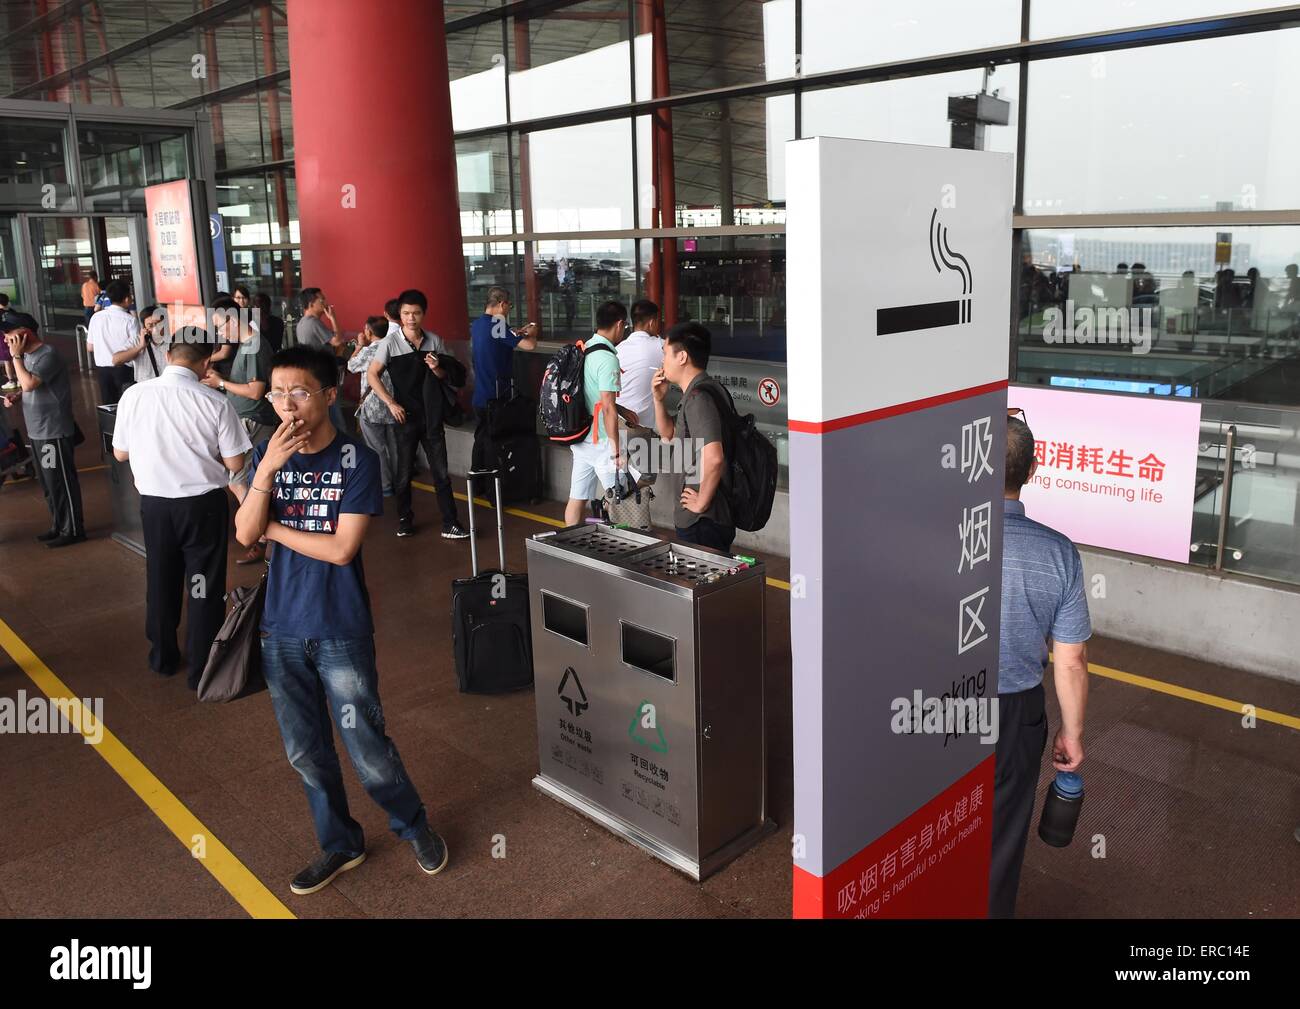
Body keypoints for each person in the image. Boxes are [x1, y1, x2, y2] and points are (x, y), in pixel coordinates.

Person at [234, 345, 448, 894]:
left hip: (340, 629)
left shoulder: (357, 460)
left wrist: (271, 530)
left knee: (368, 747)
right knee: (306, 752)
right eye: (278, 393)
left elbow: (340, 550)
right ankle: (341, 843)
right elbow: (241, 532)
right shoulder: (268, 457)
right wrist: (267, 476)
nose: (286, 405)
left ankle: (414, 826)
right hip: (280, 628)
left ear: (330, 395)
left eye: (299, 392)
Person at [990, 414, 1091, 918]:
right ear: (1031, 471)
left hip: (938, 703)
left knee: (932, 821)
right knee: (1003, 830)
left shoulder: (936, 538)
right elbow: (1070, 663)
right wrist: (1072, 734)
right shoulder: (1059, 553)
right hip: (1016, 714)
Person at [112, 329, 251, 687]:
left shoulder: (134, 395)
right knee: (203, 580)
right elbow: (235, 461)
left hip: (155, 506)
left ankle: (162, 656)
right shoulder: (214, 401)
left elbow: (120, 452)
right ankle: (202, 665)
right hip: (202, 506)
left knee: (161, 577)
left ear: (170, 353)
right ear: (206, 363)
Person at [366, 288, 467, 539]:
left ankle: (450, 522)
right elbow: (372, 374)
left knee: (441, 473)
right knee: (403, 474)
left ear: (424, 314)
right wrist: (390, 403)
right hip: (405, 417)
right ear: (400, 315)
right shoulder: (390, 343)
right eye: (406, 313)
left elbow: (445, 377)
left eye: (416, 313)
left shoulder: (434, 340)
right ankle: (404, 519)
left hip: (431, 416)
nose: (411, 318)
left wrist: (436, 368)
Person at [203, 294, 280, 564]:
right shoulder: (247, 345)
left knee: (240, 480)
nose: (221, 332)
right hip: (246, 419)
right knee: (242, 481)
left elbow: (256, 391)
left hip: (254, 420)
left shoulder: (255, 347)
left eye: (221, 326)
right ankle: (262, 534)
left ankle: (263, 535)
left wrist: (222, 383)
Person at [2, 313, 85, 547]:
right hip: (37, 431)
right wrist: (17, 396)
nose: (6, 339)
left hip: (53, 432)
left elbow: (30, 383)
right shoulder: (28, 356)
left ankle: (74, 529)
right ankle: (59, 524)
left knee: (60, 481)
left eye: (9, 335)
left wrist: (16, 358)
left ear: (25, 333)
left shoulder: (47, 354)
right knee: (49, 483)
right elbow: (29, 387)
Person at [650, 321, 734, 551]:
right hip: (703, 518)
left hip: (703, 520)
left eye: (666, 353)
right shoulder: (704, 390)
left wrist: (701, 502)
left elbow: (715, 457)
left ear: (682, 357)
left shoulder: (698, 398)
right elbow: (669, 435)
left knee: (702, 584)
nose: (662, 361)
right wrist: (658, 400)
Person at [563, 300, 639, 528]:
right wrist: (616, 450)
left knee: (577, 497)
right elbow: (607, 407)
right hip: (602, 441)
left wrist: (622, 409)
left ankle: (568, 546)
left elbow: (593, 394)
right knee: (623, 501)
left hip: (581, 437)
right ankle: (619, 554)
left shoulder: (585, 348)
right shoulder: (607, 358)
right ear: (619, 324)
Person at [347, 316, 398, 496]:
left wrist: (359, 346)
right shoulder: (395, 348)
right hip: (393, 406)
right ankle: (399, 481)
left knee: (376, 448)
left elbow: (351, 366)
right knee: (394, 447)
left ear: (368, 332)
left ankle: (385, 485)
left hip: (372, 407)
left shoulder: (369, 351)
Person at [471, 286, 537, 410]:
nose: (509, 310)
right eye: (510, 305)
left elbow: (494, 340)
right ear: (502, 304)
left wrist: (512, 332)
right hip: (496, 395)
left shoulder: (476, 324)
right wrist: (533, 333)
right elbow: (530, 346)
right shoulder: (498, 325)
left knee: (483, 428)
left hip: (480, 394)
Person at [86, 279, 140, 405]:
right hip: (125, 370)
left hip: (103, 371)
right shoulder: (130, 321)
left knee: (109, 407)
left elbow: (90, 347)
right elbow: (137, 347)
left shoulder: (96, 317)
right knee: (127, 406)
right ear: (127, 299)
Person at [617, 299, 663, 421]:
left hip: (615, 419)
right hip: (641, 426)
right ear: (652, 323)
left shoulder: (618, 349)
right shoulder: (661, 346)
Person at [0, 293, 16, 390]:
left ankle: (11, 381)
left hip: (3, 339)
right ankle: (18, 379)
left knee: (7, 361)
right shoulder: (11, 311)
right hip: (13, 337)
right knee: (15, 358)